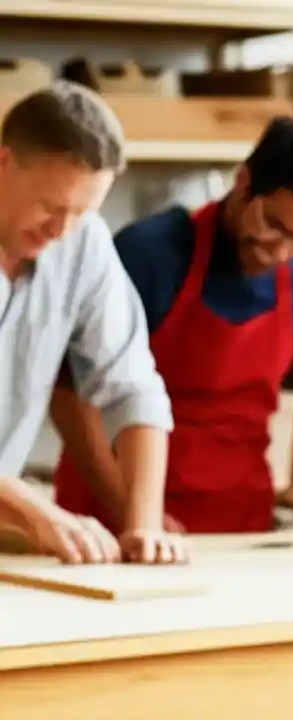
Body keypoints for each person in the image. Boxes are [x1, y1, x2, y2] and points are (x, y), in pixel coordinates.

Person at [49, 116, 293, 535]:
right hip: (112, 523)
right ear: (244, 182)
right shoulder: (149, 256)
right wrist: (135, 516)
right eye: (274, 227)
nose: (280, 252)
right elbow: (68, 397)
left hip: (239, 525)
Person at [0, 81, 181, 564]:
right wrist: (35, 509)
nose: (61, 229)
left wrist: (143, 527)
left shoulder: (83, 243)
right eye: (50, 206)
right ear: (2, 164)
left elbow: (133, 389)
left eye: (81, 212)